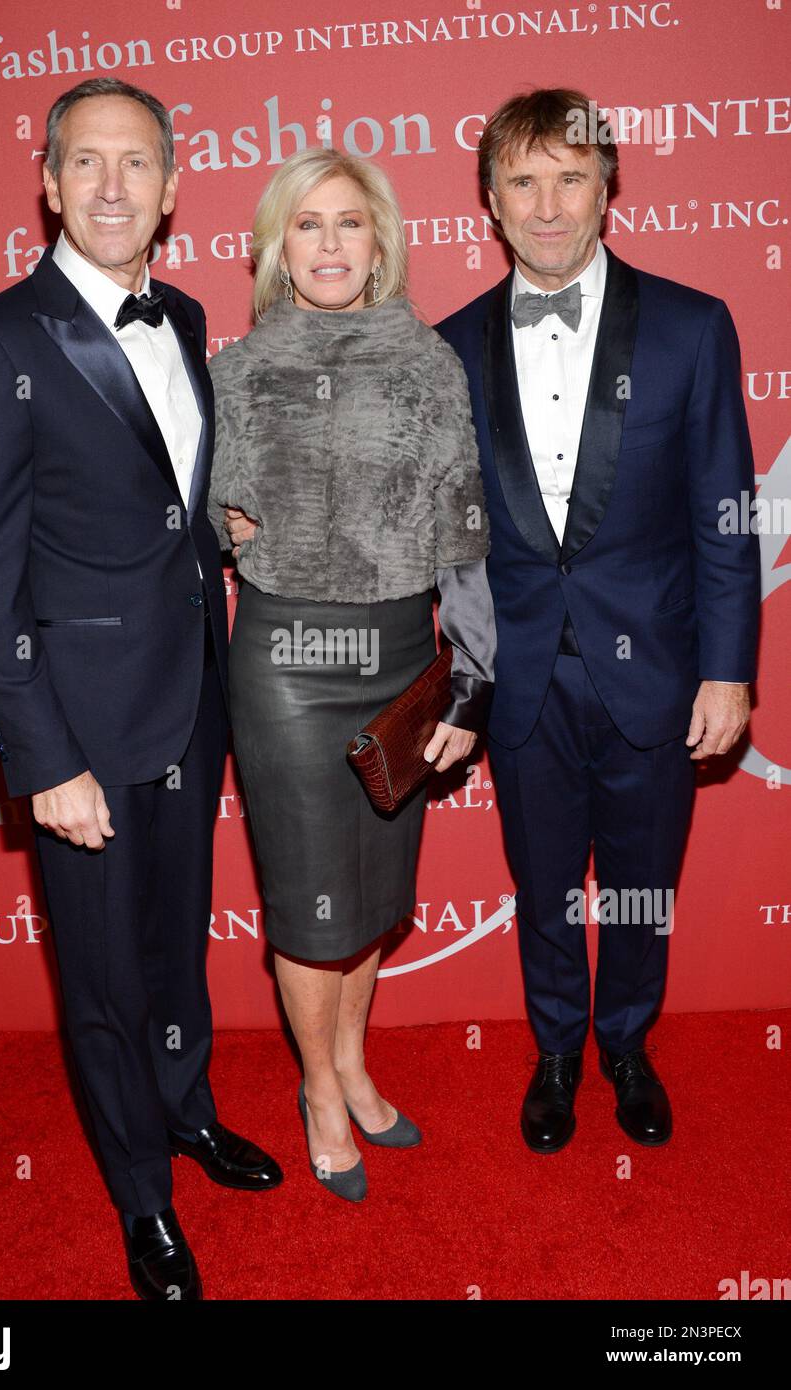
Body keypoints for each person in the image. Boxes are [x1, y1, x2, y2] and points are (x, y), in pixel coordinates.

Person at [0, 77, 281, 1302]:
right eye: (87, 162)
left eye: (137, 164)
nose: (113, 187)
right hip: (78, 725)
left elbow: (158, 501)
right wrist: (39, 759)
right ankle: (142, 1196)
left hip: (190, 702)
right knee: (98, 983)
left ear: (174, 188)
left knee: (174, 949)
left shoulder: (182, 315)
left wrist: (214, 530)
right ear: (48, 182)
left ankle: (184, 1112)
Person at [433, 88, 760, 1153]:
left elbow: (724, 516)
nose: (545, 204)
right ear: (487, 198)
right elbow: (433, 531)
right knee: (540, 886)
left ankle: (624, 1040)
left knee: (637, 884)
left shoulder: (690, 325)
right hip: (519, 675)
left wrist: (727, 670)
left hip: (656, 671)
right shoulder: (446, 348)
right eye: (521, 180)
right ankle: (556, 1047)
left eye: (568, 177)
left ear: (606, 187)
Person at [210, 148, 496, 1202]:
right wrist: (218, 520)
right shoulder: (235, 370)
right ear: (277, 249)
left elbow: (462, 525)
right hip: (285, 658)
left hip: (397, 654)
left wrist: (468, 680)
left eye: (347, 223)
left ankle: (356, 1063)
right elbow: (195, 507)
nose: (327, 244)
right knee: (309, 907)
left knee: (373, 900)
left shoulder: (427, 363)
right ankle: (320, 1091)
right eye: (305, 225)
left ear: (378, 244)